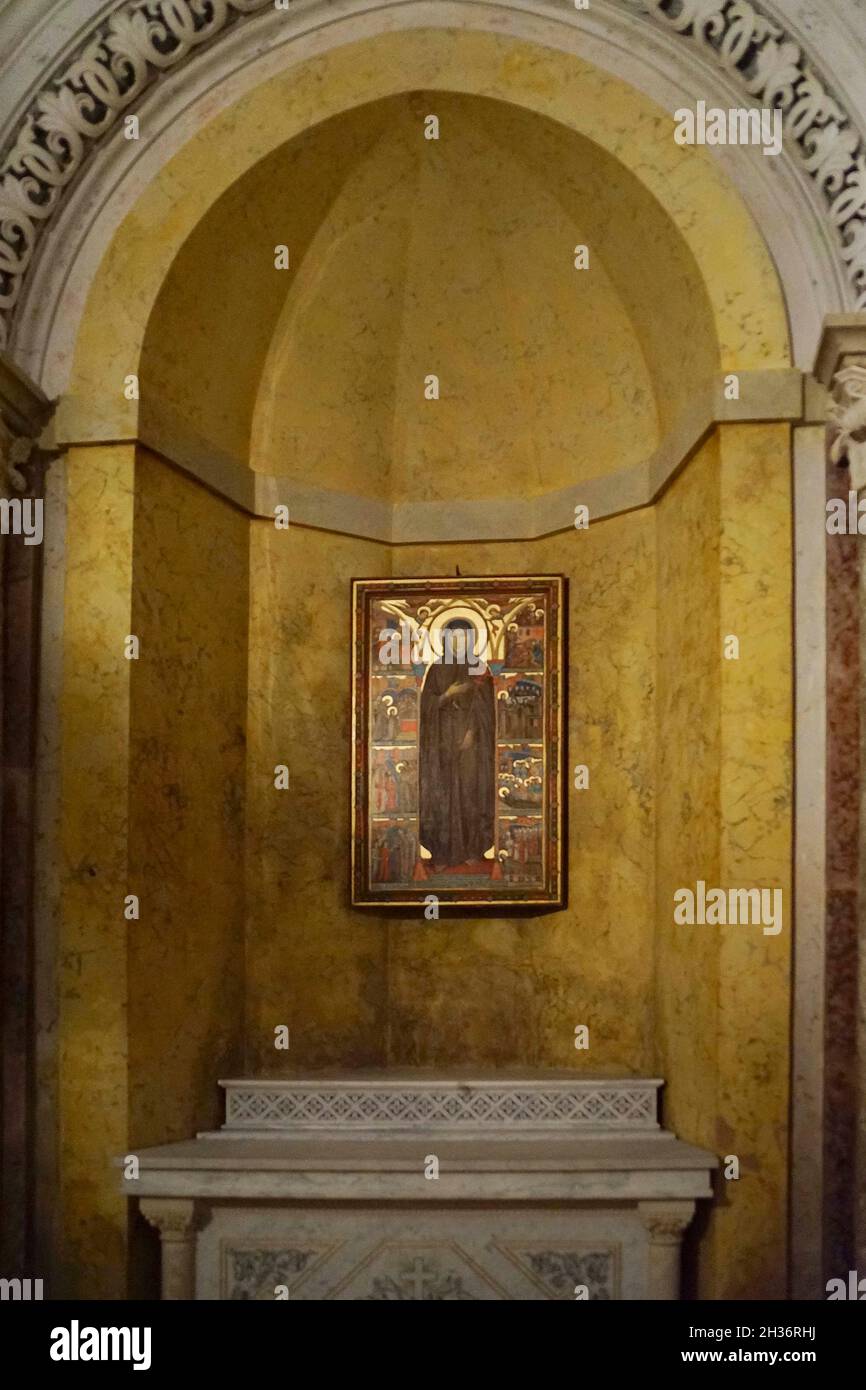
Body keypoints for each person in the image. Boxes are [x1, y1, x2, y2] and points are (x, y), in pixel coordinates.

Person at [419, 619, 495, 869]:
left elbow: (486, 709)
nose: (458, 642)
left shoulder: (479, 667)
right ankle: (442, 854)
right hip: (441, 745)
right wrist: (447, 696)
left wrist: (472, 733)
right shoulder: (436, 670)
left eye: (463, 637)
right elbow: (426, 707)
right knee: (442, 794)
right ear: (444, 639)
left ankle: (472, 849)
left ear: (472, 640)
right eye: (453, 637)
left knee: (470, 793)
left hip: (471, 748)